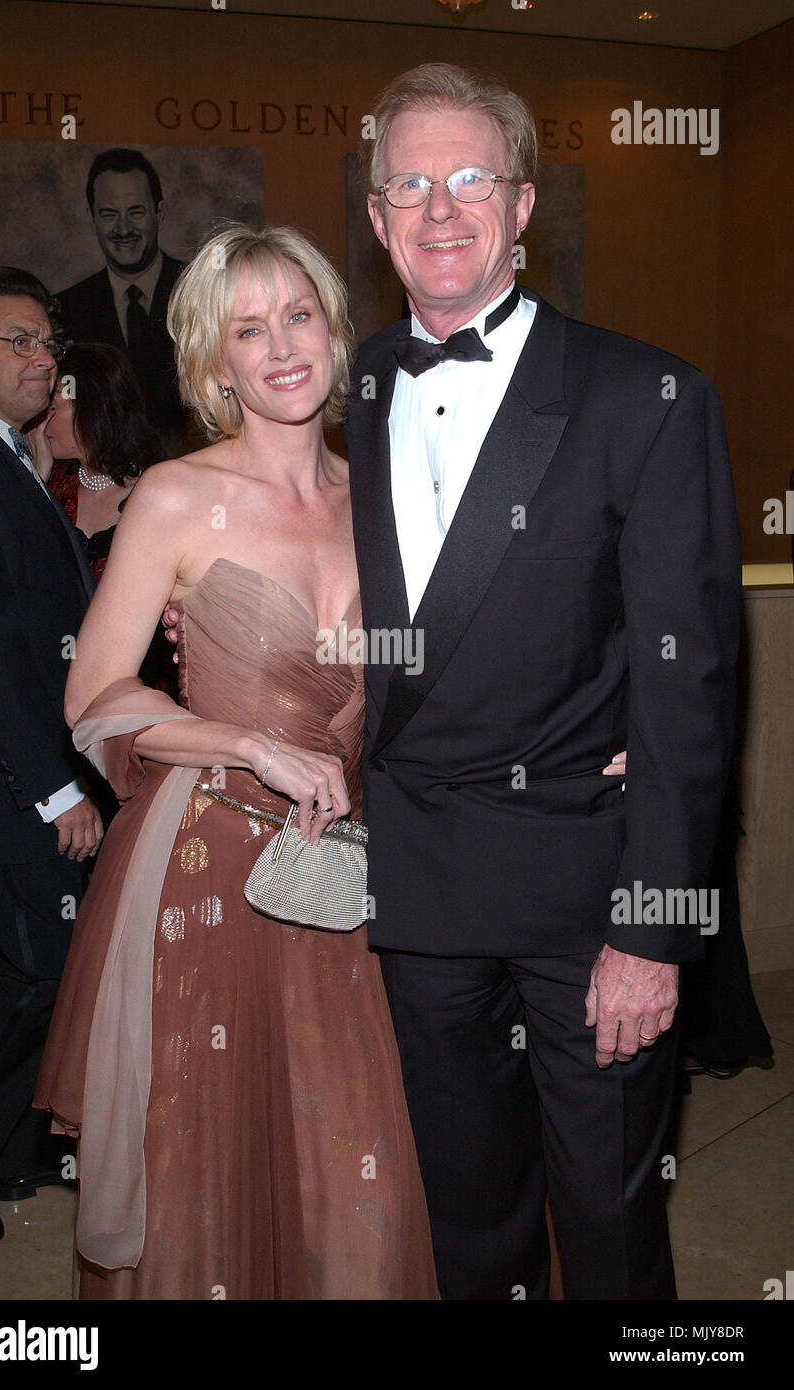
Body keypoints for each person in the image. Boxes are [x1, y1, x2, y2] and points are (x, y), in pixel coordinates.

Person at [341, 63, 742, 1300]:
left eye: (472, 178)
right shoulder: (355, 385)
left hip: (590, 887)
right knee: (470, 1219)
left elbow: (693, 680)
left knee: (613, 1228)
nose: (440, 207)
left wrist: (654, 929)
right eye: (410, 181)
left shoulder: (645, 394)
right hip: (422, 885)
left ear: (522, 208)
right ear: (375, 217)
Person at [34, 224, 438, 1300]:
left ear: (335, 328)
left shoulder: (388, 496)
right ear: (215, 362)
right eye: (245, 329)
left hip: (356, 878)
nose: (281, 347)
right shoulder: (173, 495)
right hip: (210, 872)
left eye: (298, 316)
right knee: (208, 1174)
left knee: (368, 1171)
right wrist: (247, 739)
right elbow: (93, 699)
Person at [0, 266, 103, 1246]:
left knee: (20, 977)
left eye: (49, 344)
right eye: (18, 342)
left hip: (16, 780)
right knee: (47, 972)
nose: (43, 360)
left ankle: (1, 1149)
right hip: (1, 786)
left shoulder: (1, 450)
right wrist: (53, 790)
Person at [55, 149, 187, 450]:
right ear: (93, 219)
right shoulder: (64, 310)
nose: (123, 228)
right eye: (109, 214)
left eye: (136, 212)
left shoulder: (203, 292)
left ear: (160, 213)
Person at [32, 342, 165, 583]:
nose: (42, 419)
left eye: (52, 406)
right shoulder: (53, 485)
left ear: (98, 407)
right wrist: (36, 479)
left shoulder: (160, 490)